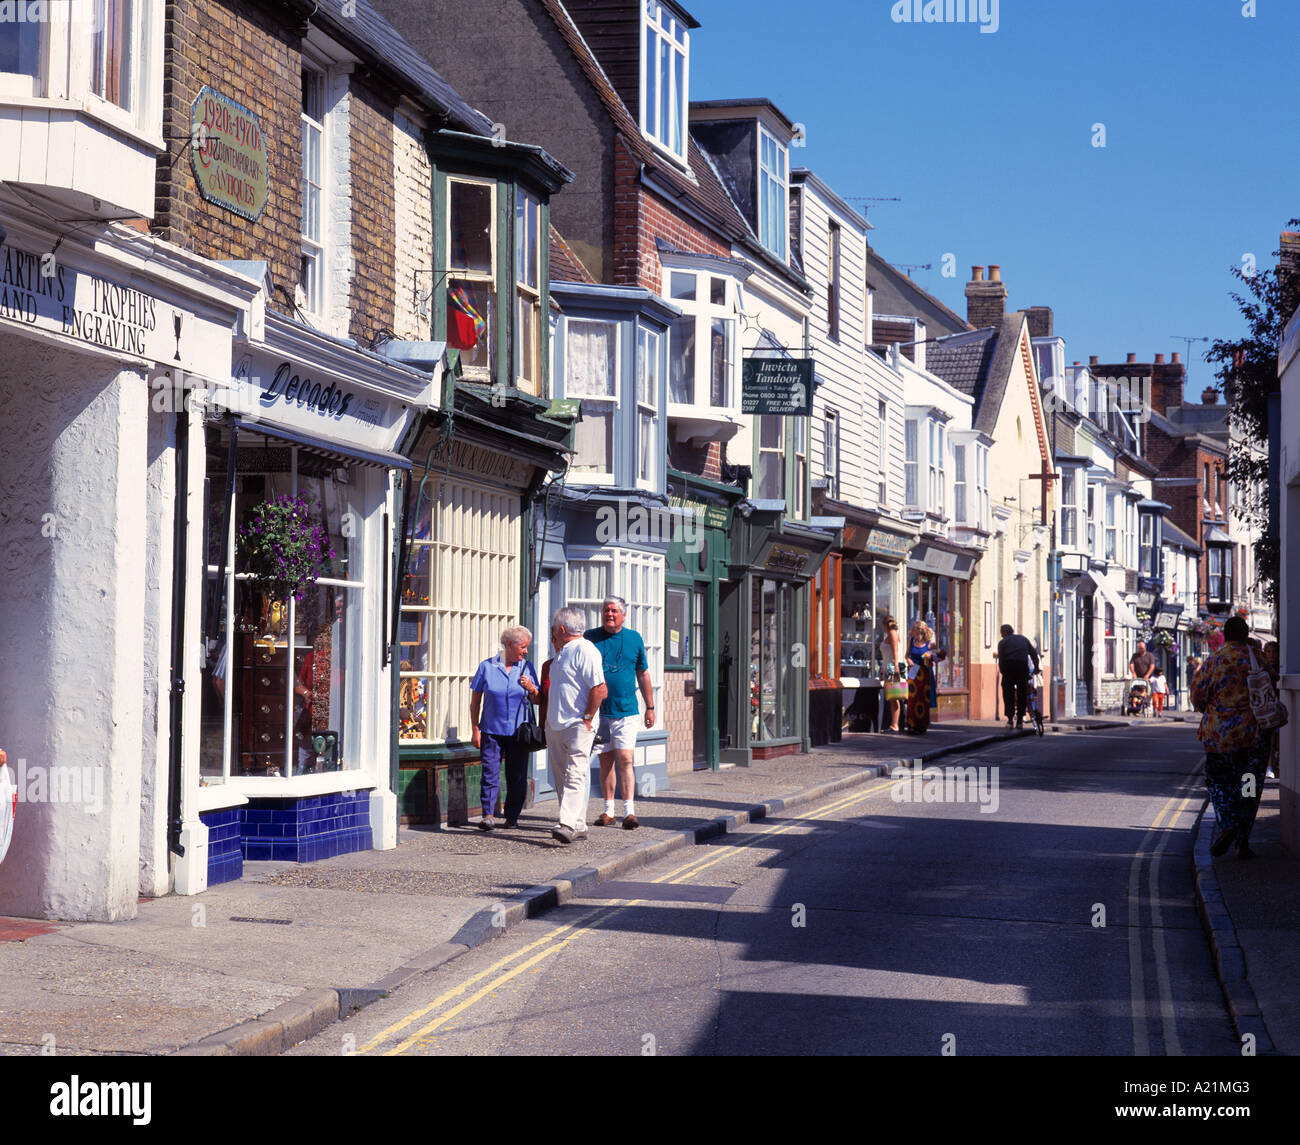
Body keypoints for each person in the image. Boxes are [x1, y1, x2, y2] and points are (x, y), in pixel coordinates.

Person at [1190, 615, 1274, 860]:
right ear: (1246, 634)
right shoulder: (1256, 657)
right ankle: (1242, 843)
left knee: (1220, 783)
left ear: (1225, 635)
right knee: (1248, 786)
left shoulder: (1214, 659)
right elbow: (1272, 681)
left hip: (1219, 737)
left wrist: (1213, 710)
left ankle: (1227, 823)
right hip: (1253, 737)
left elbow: (1197, 696)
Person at [585, 597, 654, 829]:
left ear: (623, 615)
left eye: (614, 611)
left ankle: (629, 812)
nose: (609, 614)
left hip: (626, 711)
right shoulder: (590, 638)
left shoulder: (634, 639)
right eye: (606, 610)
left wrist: (650, 707)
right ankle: (608, 811)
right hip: (600, 712)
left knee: (625, 759)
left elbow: (643, 673)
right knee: (605, 760)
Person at [544, 607, 607, 844]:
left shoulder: (585, 649)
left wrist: (588, 718)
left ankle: (567, 823)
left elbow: (599, 688)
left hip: (578, 724)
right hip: (556, 724)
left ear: (561, 629)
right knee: (562, 776)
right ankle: (578, 824)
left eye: (553, 628)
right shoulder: (561, 653)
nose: (552, 632)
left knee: (575, 773)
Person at [469, 626, 541, 831]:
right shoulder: (487, 667)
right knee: (490, 773)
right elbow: (475, 702)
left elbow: (538, 699)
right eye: (523, 647)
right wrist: (475, 729)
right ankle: (488, 815)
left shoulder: (527, 668)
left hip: (519, 733)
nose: (525, 651)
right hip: (491, 730)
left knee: (517, 776)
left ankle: (512, 817)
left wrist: (531, 688)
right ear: (510, 645)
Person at [995, 624, 1040, 730]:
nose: (1001, 635)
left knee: (1008, 695)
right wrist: (1036, 668)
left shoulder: (1002, 643)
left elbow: (1001, 660)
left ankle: (1010, 720)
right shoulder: (1023, 639)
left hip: (1009, 670)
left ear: (1004, 632)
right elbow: (1034, 654)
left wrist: (1003, 672)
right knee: (1022, 695)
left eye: (1001, 633)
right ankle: (1019, 721)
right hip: (1022, 669)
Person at [905, 621, 941, 735]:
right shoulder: (911, 641)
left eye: (915, 628)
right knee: (912, 699)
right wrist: (909, 660)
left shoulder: (929, 643)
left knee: (923, 699)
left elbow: (938, 654)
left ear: (920, 630)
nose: (913, 630)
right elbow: (907, 655)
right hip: (913, 672)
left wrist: (931, 656)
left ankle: (922, 725)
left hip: (925, 673)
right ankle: (911, 725)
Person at [880, 617, 906, 733]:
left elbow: (895, 651)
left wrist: (896, 667)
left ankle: (895, 725)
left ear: (885, 625)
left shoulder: (892, 633)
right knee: (892, 698)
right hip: (888, 668)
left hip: (892, 668)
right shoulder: (890, 634)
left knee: (894, 697)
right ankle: (893, 724)